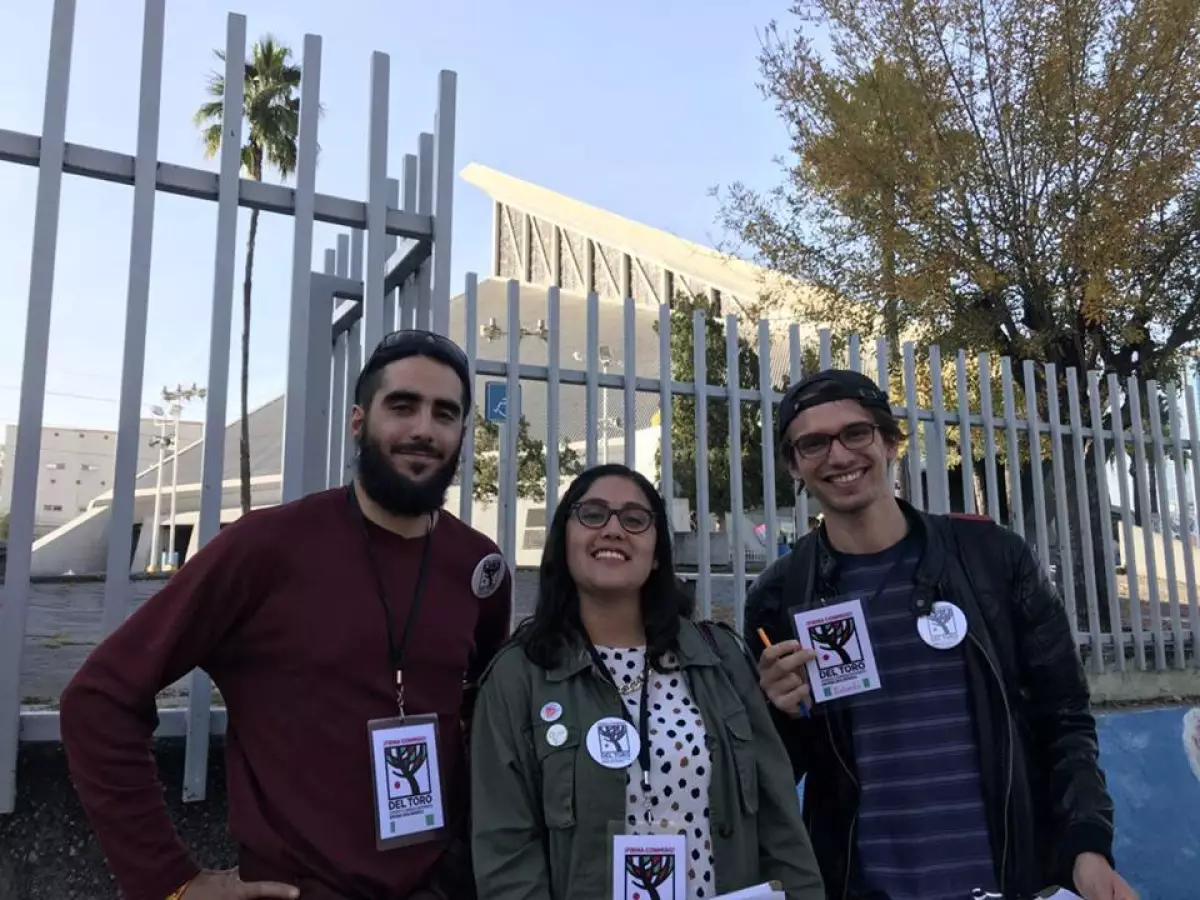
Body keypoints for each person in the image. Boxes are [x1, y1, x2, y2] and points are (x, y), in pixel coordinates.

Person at [59, 330, 512, 900]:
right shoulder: (265, 547)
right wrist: (169, 880)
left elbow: (481, 712)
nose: (424, 428)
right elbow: (99, 700)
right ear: (358, 422)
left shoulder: (478, 566)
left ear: (462, 433)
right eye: (402, 406)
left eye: (445, 413)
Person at [745, 368, 1136, 900]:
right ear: (794, 464)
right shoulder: (778, 596)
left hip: (1006, 879)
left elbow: (1063, 717)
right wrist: (777, 715)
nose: (838, 455)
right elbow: (780, 774)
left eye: (856, 433)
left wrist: (1086, 847)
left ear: (890, 441)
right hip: (863, 888)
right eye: (813, 443)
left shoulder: (991, 559)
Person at [470, 463, 825, 900]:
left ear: (657, 552)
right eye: (593, 514)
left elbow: (779, 820)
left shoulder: (720, 658)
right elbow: (506, 854)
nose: (613, 529)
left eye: (635, 519)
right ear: (564, 541)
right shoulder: (516, 677)